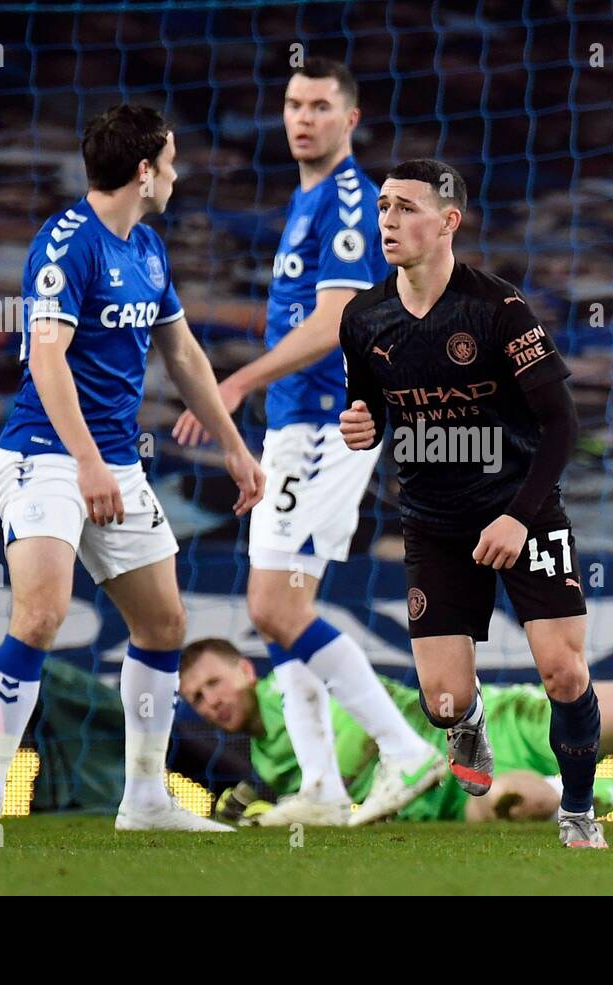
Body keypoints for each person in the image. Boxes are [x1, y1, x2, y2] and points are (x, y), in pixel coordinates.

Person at [0, 105, 265, 834]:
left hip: (115, 463)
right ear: (146, 170)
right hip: (44, 457)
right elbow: (47, 357)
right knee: (42, 614)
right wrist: (86, 462)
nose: (180, 173)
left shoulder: (148, 246)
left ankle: (145, 797)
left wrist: (233, 444)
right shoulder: (67, 244)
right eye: (173, 159)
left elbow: (183, 354)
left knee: (163, 623)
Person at [172, 59, 443, 828]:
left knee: (272, 604)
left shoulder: (353, 201)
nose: (303, 118)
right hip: (293, 427)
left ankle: (405, 750)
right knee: (285, 608)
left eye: (321, 106)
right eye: (293, 103)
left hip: (330, 421)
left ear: (349, 119)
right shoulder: (306, 199)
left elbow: (339, 320)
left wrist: (238, 381)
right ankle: (322, 783)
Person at [339, 158, 601, 847]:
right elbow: (365, 408)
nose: (388, 220)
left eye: (406, 209)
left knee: (564, 672)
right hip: (433, 522)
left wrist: (518, 516)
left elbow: (562, 424)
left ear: (448, 222)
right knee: (444, 699)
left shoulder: (498, 309)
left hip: (523, 509)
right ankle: (468, 722)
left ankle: (578, 810)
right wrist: (358, 424)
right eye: (384, 206)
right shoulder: (363, 318)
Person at [178, 635, 613, 824]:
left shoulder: (298, 688)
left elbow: (353, 745)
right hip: (457, 804)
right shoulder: (266, 754)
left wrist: (292, 805)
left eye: (211, 684)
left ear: (244, 668)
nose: (208, 703)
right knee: (521, 803)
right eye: (194, 699)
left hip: (506, 730)